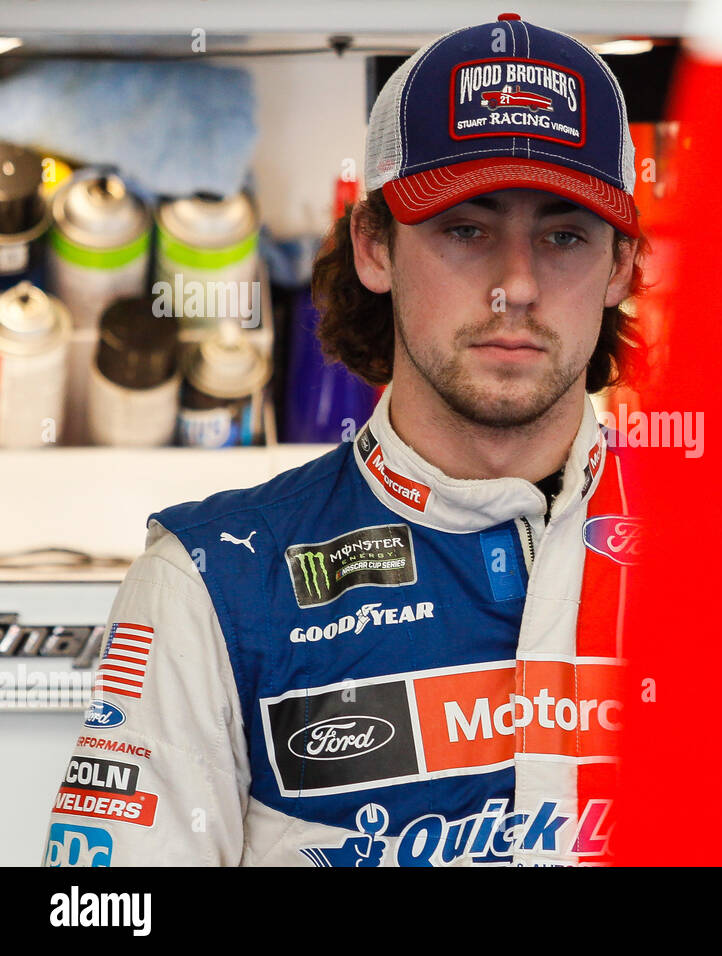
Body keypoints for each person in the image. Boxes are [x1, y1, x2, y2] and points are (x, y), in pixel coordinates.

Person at [42, 12, 645, 867]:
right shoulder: (212, 580)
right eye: (466, 229)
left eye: (563, 236)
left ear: (620, 266)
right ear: (374, 245)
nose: (516, 285)